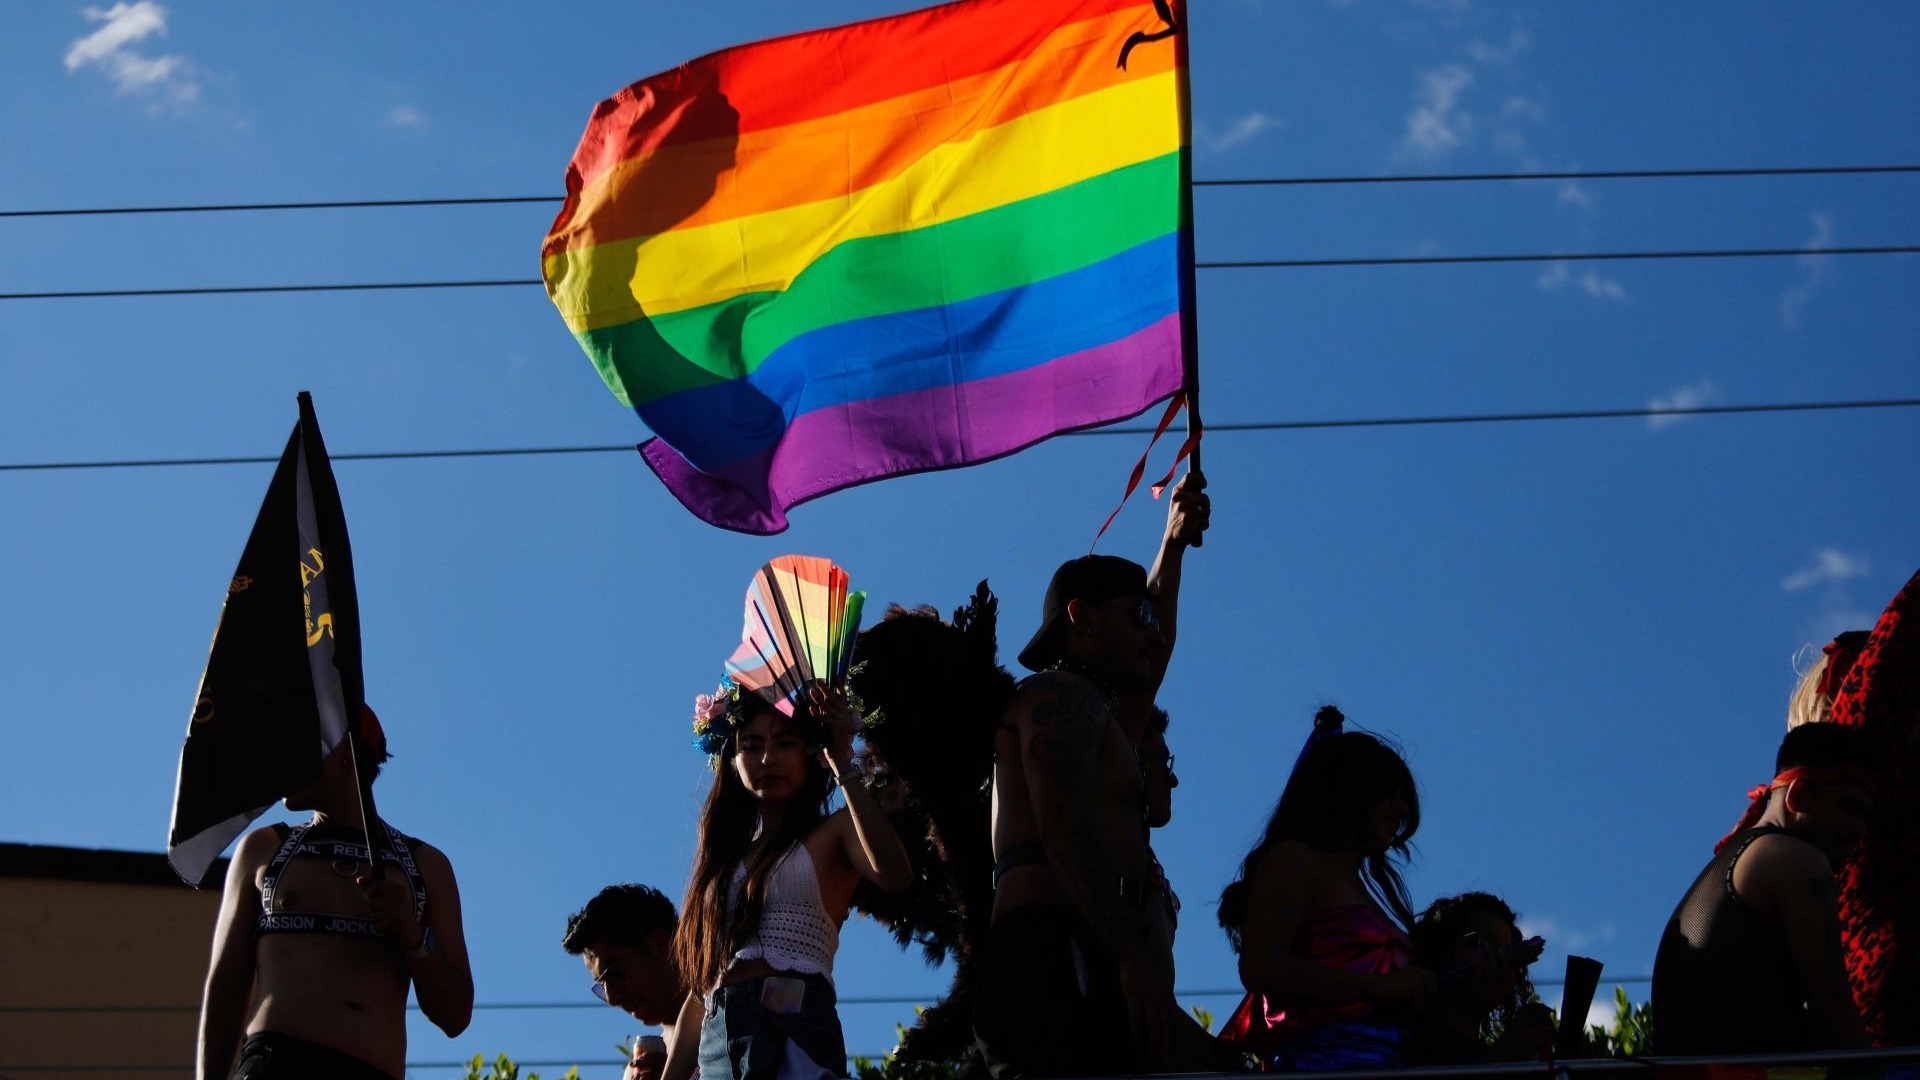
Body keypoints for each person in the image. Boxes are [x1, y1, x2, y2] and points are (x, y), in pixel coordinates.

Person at [972, 474, 1213, 1077]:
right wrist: (1129, 951)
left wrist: (1174, 544)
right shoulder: (1062, 697)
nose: (1153, 632)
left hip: (1096, 958)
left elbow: (1160, 644)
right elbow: (1064, 824)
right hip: (1055, 955)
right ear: (1081, 618)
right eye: (1137, 616)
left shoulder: (1107, 720)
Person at [197, 707, 473, 1080]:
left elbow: (455, 1016)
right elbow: (226, 988)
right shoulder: (263, 849)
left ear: (345, 754)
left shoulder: (425, 866)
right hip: (274, 1064)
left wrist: (413, 938)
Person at [664, 680, 913, 1080]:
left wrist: (843, 764)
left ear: (810, 751)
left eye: (785, 743)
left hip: (795, 1018)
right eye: (751, 745)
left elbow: (895, 875)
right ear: (732, 758)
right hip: (719, 1028)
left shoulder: (835, 831)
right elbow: (701, 987)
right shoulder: (722, 862)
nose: (767, 758)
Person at [1217, 707, 1435, 1071]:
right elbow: (1261, 967)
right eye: (1387, 793)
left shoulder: (1359, 887)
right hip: (1323, 1068)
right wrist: (1379, 989)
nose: (1400, 808)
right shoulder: (1296, 860)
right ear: (1352, 790)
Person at [1652, 723, 1878, 1053]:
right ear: (1798, 795)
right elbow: (1834, 1012)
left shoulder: (1738, 856)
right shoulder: (1795, 860)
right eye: (1849, 808)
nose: (1859, 830)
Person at [1403, 893, 1552, 1066]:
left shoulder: (1486, 1051)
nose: (1497, 960)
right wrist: (1504, 1055)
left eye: (1508, 951)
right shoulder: (1407, 1042)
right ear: (1441, 953)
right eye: (1478, 945)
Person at [563, 884, 689, 1080]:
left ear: (661, 944)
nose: (612, 998)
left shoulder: (734, 1017)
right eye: (601, 986)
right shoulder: (640, 1067)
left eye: (613, 974)